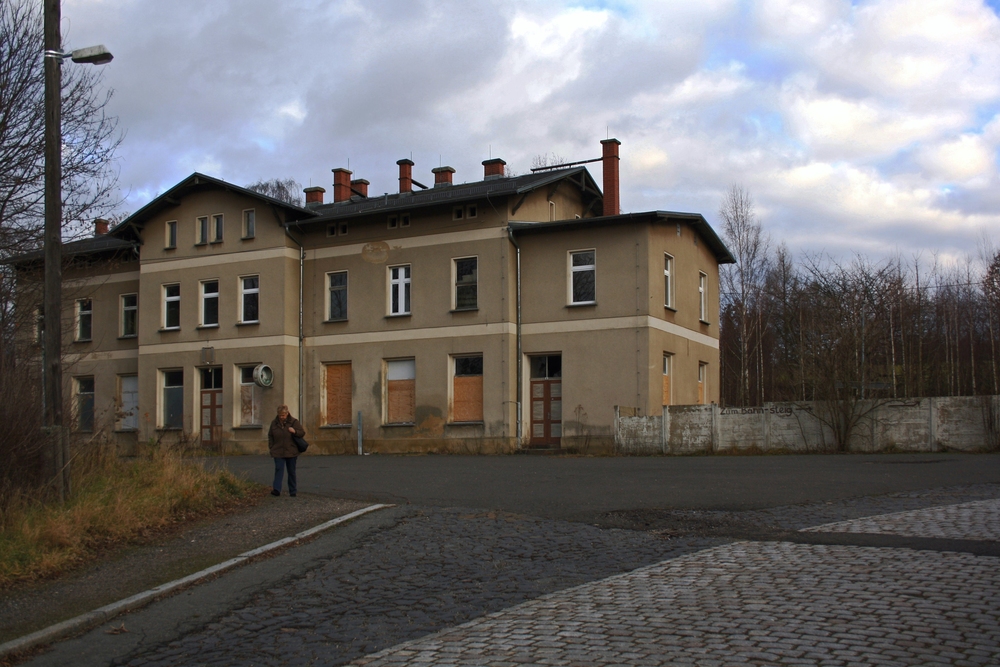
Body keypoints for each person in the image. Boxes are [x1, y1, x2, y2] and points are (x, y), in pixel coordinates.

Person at [268, 404, 305, 497]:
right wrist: (271, 447)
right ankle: (276, 490)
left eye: (283, 415)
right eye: (280, 415)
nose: (281, 417)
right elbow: (270, 435)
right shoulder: (274, 423)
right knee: (278, 469)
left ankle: (292, 491)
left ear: (287, 413)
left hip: (291, 451)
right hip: (277, 451)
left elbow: (302, 433)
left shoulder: (294, 422)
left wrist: (294, 431)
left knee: (291, 471)